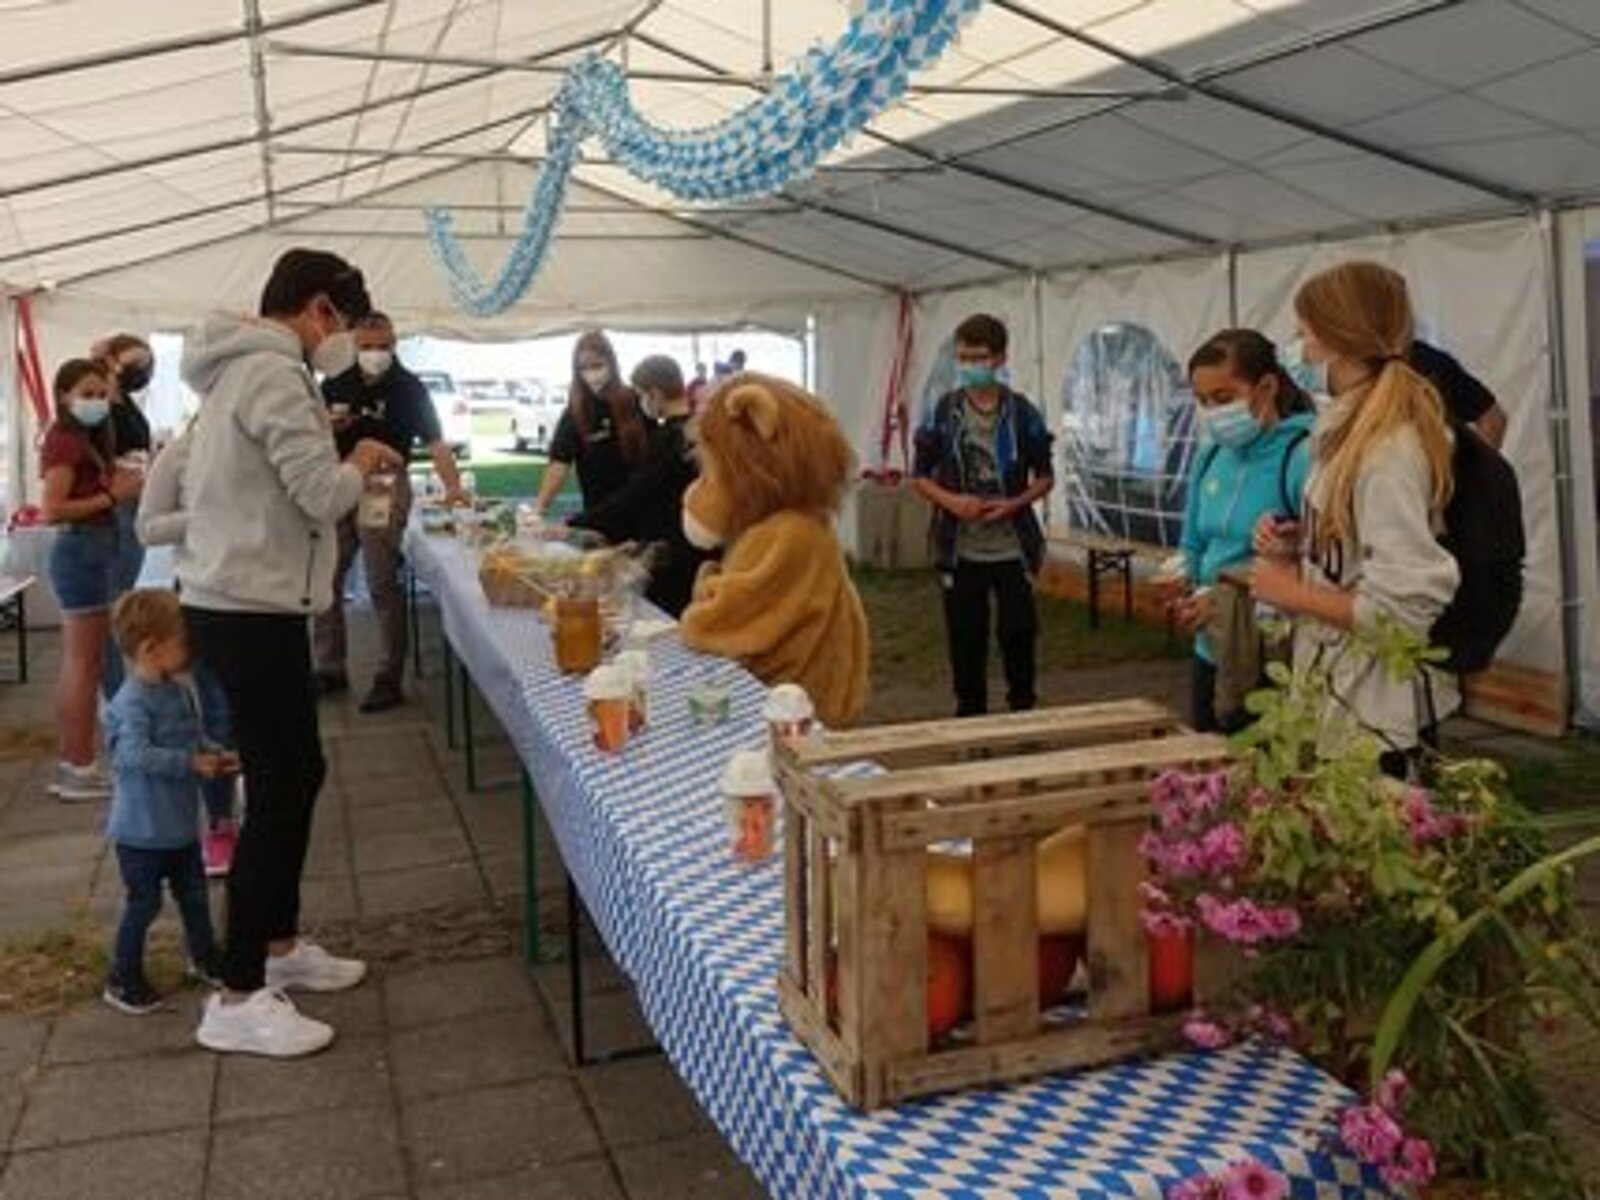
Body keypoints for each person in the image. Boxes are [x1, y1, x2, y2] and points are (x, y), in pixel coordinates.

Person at [179, 247, 403, 1057]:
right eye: (342, 322)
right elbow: (318, 494)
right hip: (250, 604)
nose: (346, 340)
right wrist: (359, 461)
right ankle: (238, 992)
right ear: (317, 311)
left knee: (294, 774)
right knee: (280, 787)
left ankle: (277, 945)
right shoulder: (272, 374)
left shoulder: (240, 371)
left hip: (243, 598)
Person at [1251, 261, 1459, 779]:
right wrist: (1306, 540)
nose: (1298, 349)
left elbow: (1404, 609)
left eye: (1304, 334)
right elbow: (1364, 549)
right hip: (1339, 702)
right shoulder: (1347, 431)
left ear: (1337, 341)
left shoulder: (1388, 450)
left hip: (1376, 718)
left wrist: (1291, 593)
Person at [314, 312, 466, 712]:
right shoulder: (334, 383)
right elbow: (310, 435)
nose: (374, 354)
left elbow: (436, 443)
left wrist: (453, 488)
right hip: (339, 479)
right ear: (353, 345)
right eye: (366, 346)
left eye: (382, 346)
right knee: (326, 576)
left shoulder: (409, 387)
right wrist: (328, 425)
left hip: (384, 485)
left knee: (381, 580)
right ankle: (330, 666)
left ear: (394, 344)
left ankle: (388, 675)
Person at [912, 314, 1055, 717]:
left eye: (978, 357)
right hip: (960, 548)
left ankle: (1023, 712)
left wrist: (1014, 504)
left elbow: (1045, 477)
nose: (970, 366)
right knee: (965, 638)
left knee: (1018, 634)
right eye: (962, 357)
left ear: (999, 358)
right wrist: (952, 502)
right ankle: (969, 719)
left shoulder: (1023, 412)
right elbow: (919, 476)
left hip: (1013, 549)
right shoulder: (944, 411)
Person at [1174, 330, 1315, 732]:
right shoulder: (1211, 454)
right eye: (1202, 402)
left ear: (1266, 387)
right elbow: (1193, 542)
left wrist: (1220, 600)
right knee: (1210, 775)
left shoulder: (1300, 455)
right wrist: (1188, 589)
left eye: (1223, 399)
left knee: (1263, 782)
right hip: (1210, 647)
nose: (1213, 413)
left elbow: (1321, 561)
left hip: (1268, 656)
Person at [102, 589, 230, 1014]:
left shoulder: (178, 690)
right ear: (150, 649)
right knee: (145, 904)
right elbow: (130, 755)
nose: (191, 650)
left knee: (194, 896)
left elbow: (192, 736)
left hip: (178, 828)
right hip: (141, 832)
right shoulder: (131, 702)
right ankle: (122, 976)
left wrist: (215, 752)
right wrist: (191, 762)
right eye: (183, 642)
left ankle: (204, 956)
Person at [136, 426, 243, 877]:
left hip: (271, 598)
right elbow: (148, 527)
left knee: (266, 711)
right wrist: (205, 515)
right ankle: (220, 823)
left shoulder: (264, 448)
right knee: (217, 712)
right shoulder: (181, 454)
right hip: (205, 596)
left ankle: (258, 808)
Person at [40, 359, 144, 800]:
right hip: (81, 551)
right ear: (64, 395)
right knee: (83, 666)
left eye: (103, 394)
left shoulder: (83, 438)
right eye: (87, 393)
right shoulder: (64, 441)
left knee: (87, 663)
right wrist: (110, 495)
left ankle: (76, 762)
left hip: (92, 549)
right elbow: (53, 509)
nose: (97, 402)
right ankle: (77, 765)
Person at [568, 355, 710, 617]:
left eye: (640, 395)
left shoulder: (667, 439)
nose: (639, 403)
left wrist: (576, 523)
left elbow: (634, 495)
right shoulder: (698, 433)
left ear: (654, 395)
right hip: (694, 551)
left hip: (670, 559)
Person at [94, 334, 155, 700]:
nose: (141, 370)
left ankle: (117, 690)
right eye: (133, 362)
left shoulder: (127, 402)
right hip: (113, 509)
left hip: (132, 508)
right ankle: (113, 695)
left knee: (121, 599)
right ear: (113, 360)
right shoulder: (99, 404)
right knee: (112, 606)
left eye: (145, 364)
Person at [532, 331, 648, 517]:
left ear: (611, 363)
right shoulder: (576, 411)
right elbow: (559, 463)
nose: (592, 373)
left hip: (641, 512)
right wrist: (539, 509)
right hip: (598, 515)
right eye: (584, 367)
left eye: (597, 365)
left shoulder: (634, 400)